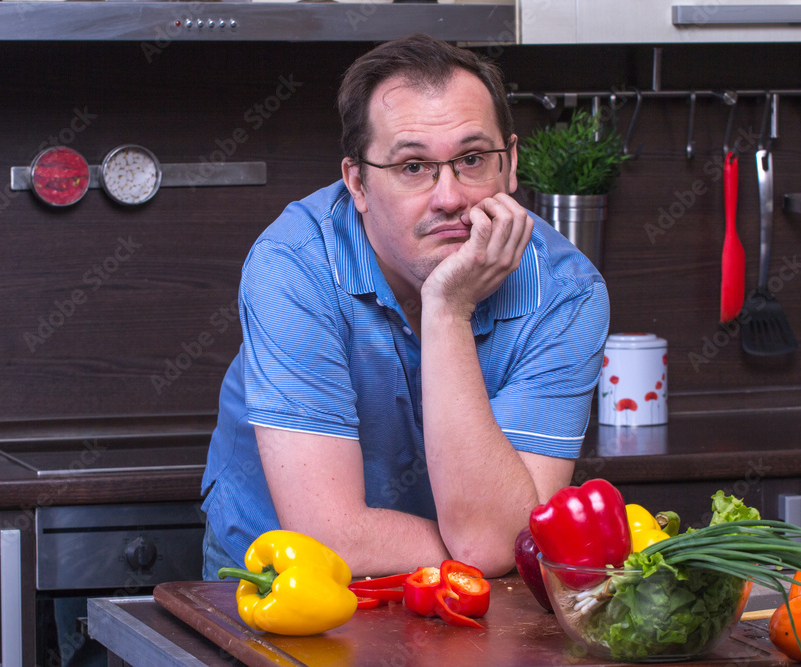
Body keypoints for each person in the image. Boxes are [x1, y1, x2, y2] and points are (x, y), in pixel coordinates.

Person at [200, 33, 609, 580]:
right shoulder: (292, 264)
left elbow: (495, 542)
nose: (449, 198)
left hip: (466, 589)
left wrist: (446, 308)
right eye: (413, 167)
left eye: (472, 159)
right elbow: (329, 538)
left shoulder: (566, 293)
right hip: (279, 581)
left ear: (510, 164)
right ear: (358, 183)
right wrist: (482, 546)